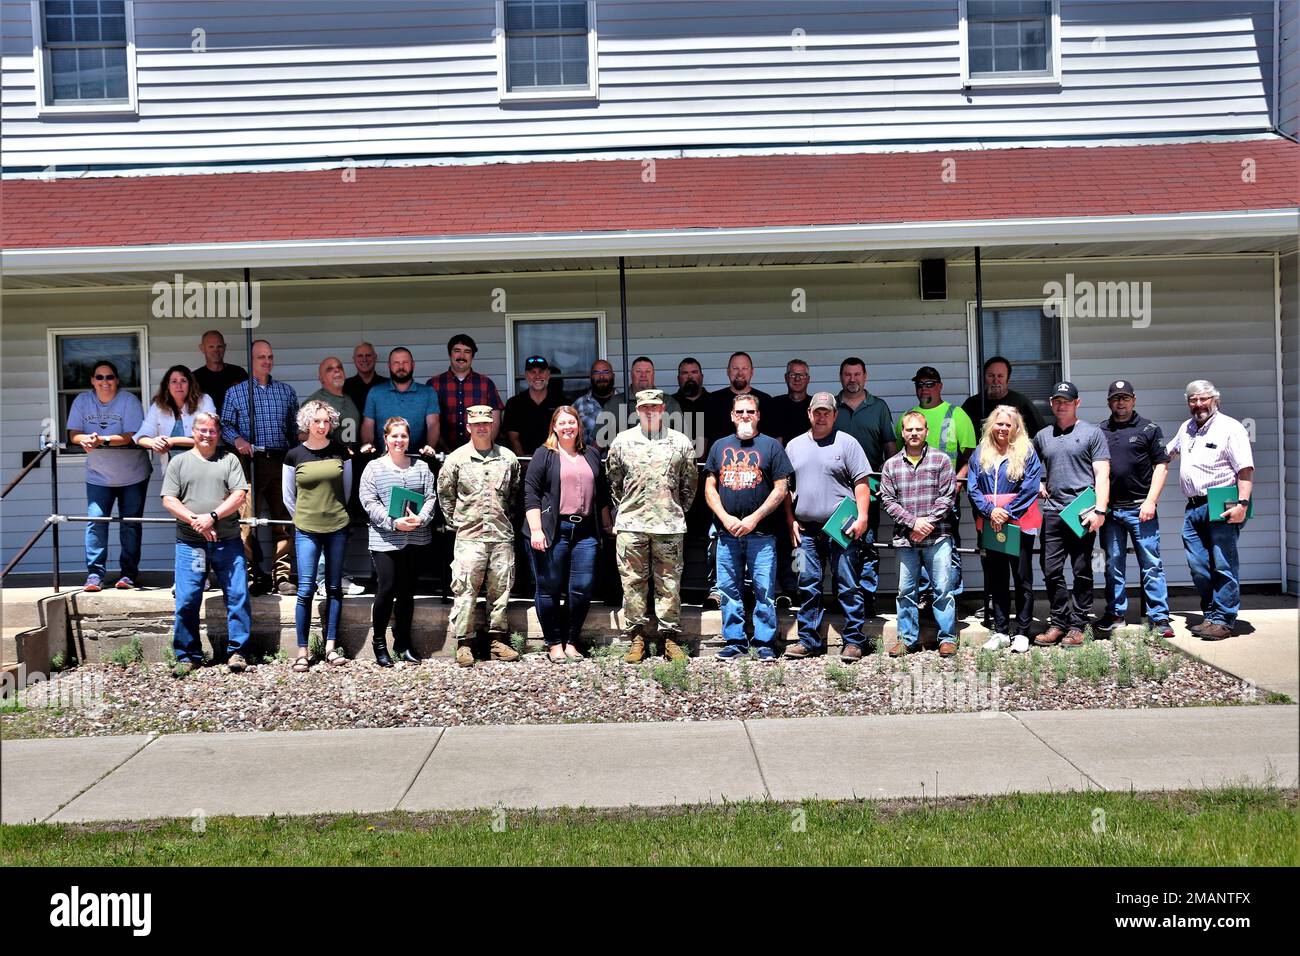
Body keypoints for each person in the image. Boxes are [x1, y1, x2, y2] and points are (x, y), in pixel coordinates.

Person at [606, 389, 699, 663]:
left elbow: (689, 485)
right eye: (644, 407)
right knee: (633, 583)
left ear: (662, 409)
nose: (649, 411)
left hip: (668, 524)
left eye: (654, 407)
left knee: (669, 583)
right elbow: (614, 483)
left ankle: (670, 638)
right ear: (637, 410)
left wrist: (673, 508)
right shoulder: (622, 442)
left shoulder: (680, 443)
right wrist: (630, 507)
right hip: (632, 523)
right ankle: (637, 638)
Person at [159, 411, 251, 676]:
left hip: (227, 541)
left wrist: (211, 517)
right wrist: (195, 521)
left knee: (237, 595)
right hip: (191, 544)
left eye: (212, 430)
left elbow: (239, 494)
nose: (207, 435)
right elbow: (169, 499)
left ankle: (238, 652)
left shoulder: (229, 459)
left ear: (218, 433)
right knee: (187, 598)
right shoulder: (179, 463)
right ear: (193, 431)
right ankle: (188, 655)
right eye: (202, 430)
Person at [784, 392, 872, 660]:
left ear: (835, 415)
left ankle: (854, 641)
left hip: (841, 528)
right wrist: (790, 522)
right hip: (807, 530)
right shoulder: (794, 446)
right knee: (808, 584)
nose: (821, 417)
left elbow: (861, 483)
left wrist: (863, 518)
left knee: (847, 584)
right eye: (817, 412)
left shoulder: (848, 444)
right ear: (809, 413)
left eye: (827, 412)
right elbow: (786, 488)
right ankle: (808, 640)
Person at [703, 393, 792, 660]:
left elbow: (781, 488)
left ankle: (764, 642)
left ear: (758, 415)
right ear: (731, 415)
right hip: (727, 533)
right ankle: (735, 641)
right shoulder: (719, 447)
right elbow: (709, 487)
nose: (745, 416)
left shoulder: (771, 447)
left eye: (750, 412)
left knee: (764, 591)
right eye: (740, 411)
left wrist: (755, 518)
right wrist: (724, 517)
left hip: (762, 534)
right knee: (729, 589)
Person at [1164, 379, 1254, 641]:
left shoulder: (1231, 428)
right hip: (1193, 506)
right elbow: (1168, 453)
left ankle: (1224, 619)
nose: (1198, 404)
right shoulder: (1187, 428)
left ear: (1216, 399)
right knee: (1198, 565)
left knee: (1223, 562)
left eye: (1203, 398)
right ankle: (1212, 614)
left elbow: (1245, 469)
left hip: (1223, 500)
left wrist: (1242, 505)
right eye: (1193, 399)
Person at [524, 406, 613, 662]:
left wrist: (607, 525)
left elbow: (602, 495)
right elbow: (531, 494)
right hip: (553, 530)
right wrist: (536, 530)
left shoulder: (592, 455)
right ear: (554, 426)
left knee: (582, 588)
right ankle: (553, 643)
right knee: (549, 588)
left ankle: (572, 641)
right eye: (562, 423)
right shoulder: (544, 455)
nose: (567, 427)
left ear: (578, 426)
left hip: (586, 532)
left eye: (571, 422)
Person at [437, 405, 522, 667]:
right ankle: (464, 644)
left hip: (500, 536)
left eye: (487, 423)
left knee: (501, 590)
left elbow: (514, 495)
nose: (482, 427)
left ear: (493, 425)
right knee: (465, 590)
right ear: (469, 427)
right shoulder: (456, 460)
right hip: (469, 537)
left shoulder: (508, 459)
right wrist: (459, 523)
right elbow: (445, 495)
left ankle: (497, 641)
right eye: (477, 424)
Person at [1032, 382, 1110, 647]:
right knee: (1051, 570)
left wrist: (1100, 510)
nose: (1061, 405)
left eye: (1066, 400)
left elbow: (1102, 474)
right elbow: (1030, 467)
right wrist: (1038, 483)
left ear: (1077, 403)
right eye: (1056, 400)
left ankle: (1077, 625)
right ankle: (1058, 622)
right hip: (1053, 512)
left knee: (1082, 570)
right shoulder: (1042, 436)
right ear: (1052, 403)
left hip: (1082, 511)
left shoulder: (1092, 433)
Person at [220, 339, 300, 594]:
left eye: (270, 356)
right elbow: (224, 425)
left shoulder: (286, 392)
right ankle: (253, 575)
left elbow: (294, 428)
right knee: (246, 521)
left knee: (283, 519)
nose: (266, 361)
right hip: (249, 463)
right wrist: (238, 440)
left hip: (280, 461)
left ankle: (283, 575)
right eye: (261, 357)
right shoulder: (237, 392)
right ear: (251, 360)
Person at [1096, 380, 1173, 639]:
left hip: (1142, 509)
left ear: (1134, 400)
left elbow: (1161, 465)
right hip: (1110, 512)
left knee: (1151, 564)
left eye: (1125, 397)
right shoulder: (1100, 431)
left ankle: (1159, 618)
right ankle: (1116, 614)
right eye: (1116, 398)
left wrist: (1151, 501)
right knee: (1112, 564)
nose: (1121, 402)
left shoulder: (1149, 429)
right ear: (1109, 402)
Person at [68, 360, 152, 592]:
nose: (105, 382)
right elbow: (73, 433)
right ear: (92, 381)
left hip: (133, 474)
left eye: (110, 377)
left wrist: (100, 440)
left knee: (130, 525)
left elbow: (130, 435)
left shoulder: (128, 401)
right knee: (96, 523)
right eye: (99, 377)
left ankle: (128, 575)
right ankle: (94, 576)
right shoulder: (82, 401)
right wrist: (82, 439)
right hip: (98, 476)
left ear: (117, 380)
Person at [880, 411, 959, 657]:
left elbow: (948, 497)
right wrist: (914, 523)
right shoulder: (891, 465)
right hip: (906, 539)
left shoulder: (941, 460)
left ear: (926, 431)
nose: (914, 433)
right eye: (909, 430)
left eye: (918, 429)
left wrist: (927, 525)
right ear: (902, 433)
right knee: (906, 591)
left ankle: (947, 638)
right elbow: (887, 500)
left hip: (939, 537)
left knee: (943, 589)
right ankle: (907, 639)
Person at [361, 417, 437, 666]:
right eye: (394, 436)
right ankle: (379, 642)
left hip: (414, 537)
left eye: (403, 436)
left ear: (409, 438)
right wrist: (393, 523)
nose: (399, 440)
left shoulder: (421, 467)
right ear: (385, 439)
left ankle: (403, 643)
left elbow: (430, 497)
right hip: (385, 539)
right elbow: (369, 501)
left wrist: (421, 519)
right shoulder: (374, 467)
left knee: (407, 593)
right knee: (386, 590)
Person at [283, 400, 353, 671]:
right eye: (317, 421)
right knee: (305, 589)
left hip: (337, 526)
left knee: (334, 588)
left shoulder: (340, 452)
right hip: (306, 529)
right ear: (307, 424)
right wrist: (304, 517)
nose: (322, 426)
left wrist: (333, 513)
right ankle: (302, 651)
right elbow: (289, 497)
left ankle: (330, 647)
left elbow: (346, 491)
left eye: (326, 421)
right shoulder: (294, 455)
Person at [896, 366, 977, 598]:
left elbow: (969, 454)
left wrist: (958, 482)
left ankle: (950, 597)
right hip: (913, 499)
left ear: (940, 386)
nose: (924, 389)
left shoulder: (956, 414)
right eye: (920, 384)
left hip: (945, 498)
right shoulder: (908, 417)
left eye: (929, 384)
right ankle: (923, 598)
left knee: (947, 548)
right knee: (916, 549)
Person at [968, 406, 1043, 653]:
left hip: (1018, 523)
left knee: (1022, 578)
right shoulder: (981, 452)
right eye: (998, 424)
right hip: (991, 524)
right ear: (991, 425)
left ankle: (1022, 632)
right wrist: (991, 512)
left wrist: (1006, 513)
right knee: (997, 579)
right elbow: (972, 488)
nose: (1002, 428)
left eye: (1007, 424)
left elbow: (1031, 487)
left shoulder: (1027, 451)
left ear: (1016, 427)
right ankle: (1000, 631)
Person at [833, 357, 894, 616]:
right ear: (841, 377)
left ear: (865, 376)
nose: (852, 379)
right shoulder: (831, 407)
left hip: (869, 488)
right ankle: (844, 600)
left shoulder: (878, 407)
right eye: (848, 374)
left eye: (857, 374)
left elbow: (890, 449)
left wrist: (888, 483)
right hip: (836, 489)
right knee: (839, 545)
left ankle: (867, 599)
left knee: (867, 545)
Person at [429, 333, 504, 451]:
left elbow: (494, 420)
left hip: (478, 453)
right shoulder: (434, 384)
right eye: (457, 351)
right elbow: (430, 423)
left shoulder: (486, 383)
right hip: (442, 454)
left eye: (467, 352)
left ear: (472, 356)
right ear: (450, 354)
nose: (461, 356)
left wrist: (482, 449)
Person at [361, 348, 440, 455]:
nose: (401, 367)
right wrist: (368, 444)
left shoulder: (428, 392)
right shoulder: (375, 392)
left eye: (405, 362)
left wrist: (430, 447)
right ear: (389, 365)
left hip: (419, 459)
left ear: (413, 365)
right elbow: (368, 425)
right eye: (396, 363)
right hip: (383, 459)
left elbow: (433, 424)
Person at [134, 364, 217, 460]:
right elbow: (141, 436)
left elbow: (210, 436)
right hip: (172, 468)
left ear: (190, 384)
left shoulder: (204, 401)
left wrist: (172, 441)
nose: (179, 385)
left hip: (203, 464)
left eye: (183, 381)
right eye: (174, 381)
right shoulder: (158, 406)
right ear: (167, 386)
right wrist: (154, 443)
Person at [961, 356, 1045, 437]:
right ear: (984, 378)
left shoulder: (1021, 403)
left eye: (1000, 376)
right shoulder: (972, 404)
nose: (996, 380)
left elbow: (1040, 435)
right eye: (991, 376)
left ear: (1008, 379)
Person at [703, 352, 772, 447]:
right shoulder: (711, 400)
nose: (740, 373)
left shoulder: (765, 401)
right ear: (728, 371)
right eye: (735, 368)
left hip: (757, 459)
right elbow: (704, 438)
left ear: (752, 372)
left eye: (744, 368)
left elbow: (772, 439)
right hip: (720, 459)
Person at [504, 355, 562, 455]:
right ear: (526, 375)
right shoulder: (514, 404)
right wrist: (525, 463)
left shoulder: (561, 403)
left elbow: (565, 436)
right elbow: (513, 438)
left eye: (541, 371)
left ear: (548, 374)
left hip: (555, 460)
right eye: (532, 372)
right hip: (525, 462)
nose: (537, 376)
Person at [306, 356, 362, 450]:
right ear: (321, 378)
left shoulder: (351, 397)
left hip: (352, 459)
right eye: (330, 369)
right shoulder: (314, 402)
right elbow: (302, 435)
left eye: (340, 367)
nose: (337, 370)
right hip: (327, 460)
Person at [192, 329, 247, 420]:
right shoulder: (194, 378)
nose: (216, 350)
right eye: (211, 347)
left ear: (224, 347)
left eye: (219, 346)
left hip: (237, 428)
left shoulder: (239, 373)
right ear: (202, 348)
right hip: (208, 430)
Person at [573, 359, 624, 449]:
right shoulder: (578, 405)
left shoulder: (624, 402)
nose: (601, 377)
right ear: (591, 377)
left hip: (620, 460)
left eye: (606, 372)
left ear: (613, 375)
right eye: (597, 372)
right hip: (589, 460)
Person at [765, 359, 813, 446]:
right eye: (792, 375)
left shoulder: (815, 405)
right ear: (786, 378)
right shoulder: (773, 404)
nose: (797, 379)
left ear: (808, 379)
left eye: (801, 375)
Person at [343, 341, 388, 416]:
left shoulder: (388, 385)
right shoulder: (344, 387)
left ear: (375, 357)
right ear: (354, 359)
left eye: (368, 355)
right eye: (360, 356)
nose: (364, 359)